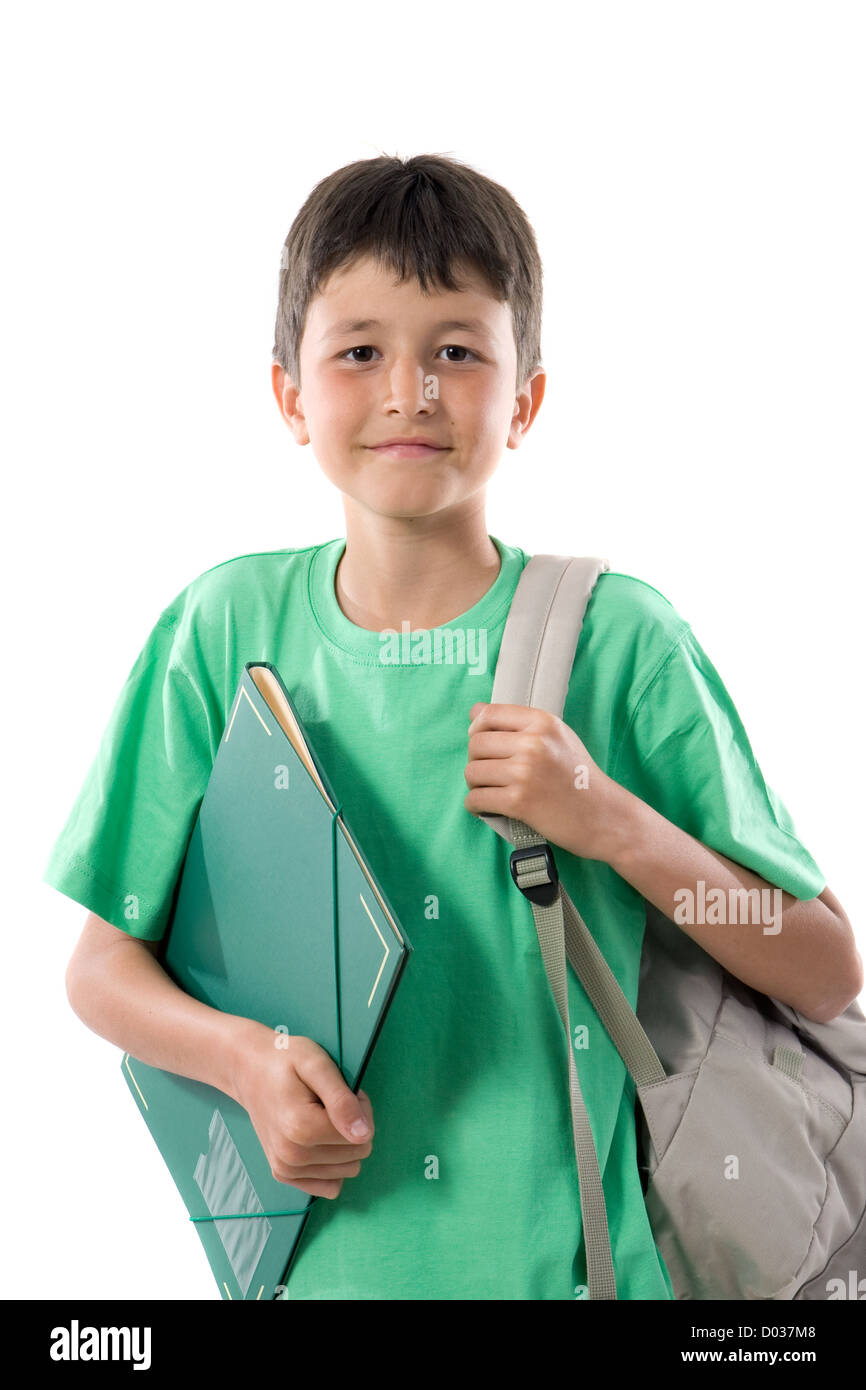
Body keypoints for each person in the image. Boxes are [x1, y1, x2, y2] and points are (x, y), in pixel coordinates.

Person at [43, 152, 862, 1301]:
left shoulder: (621, 642)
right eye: (361, 350)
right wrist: (245, 1062)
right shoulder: (221, 631)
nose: (410, 393)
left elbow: (824, 968)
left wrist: (611, 823)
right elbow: (99, 967)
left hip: (592, 1272)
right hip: (317, 1278)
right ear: (289, 393)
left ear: (523, 398)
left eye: (457, 352)